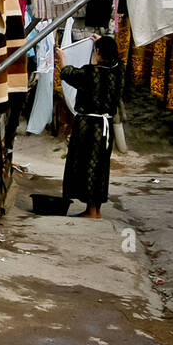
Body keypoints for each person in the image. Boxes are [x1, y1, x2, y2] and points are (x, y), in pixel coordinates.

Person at [56, 34, 123, 219]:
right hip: (105, 125)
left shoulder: (91, 72)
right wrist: (101, 41)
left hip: (89, 127)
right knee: (101, 166)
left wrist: (62, 58)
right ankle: (95, 209)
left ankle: (91, 211)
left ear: (99, 53)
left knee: (88, 166)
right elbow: (118, 61)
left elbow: (68, 74)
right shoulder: (118, 72)